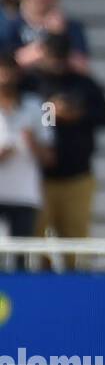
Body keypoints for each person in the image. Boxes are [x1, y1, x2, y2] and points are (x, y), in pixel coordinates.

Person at [27, 32, 105, 241]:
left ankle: (75, 274)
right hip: (38, 176)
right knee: (36, 242)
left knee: (76, 240)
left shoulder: (83, 83)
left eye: (61, 56)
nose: (56, 62)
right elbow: (19, 116)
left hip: (77, 173)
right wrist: (50, 111)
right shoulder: (30, 82)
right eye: (52, 55)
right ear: (43, 53)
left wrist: (77, 114)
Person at [0, 53, 53, 238]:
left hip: (25, 195)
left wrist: (32, 144)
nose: (4, 76)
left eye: (7, 70)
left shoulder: (39, 106)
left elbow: (50, 157)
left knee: (21, 259)